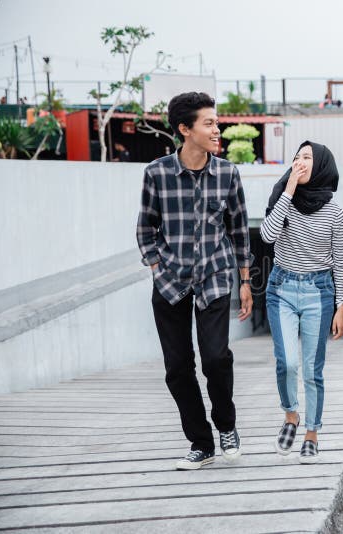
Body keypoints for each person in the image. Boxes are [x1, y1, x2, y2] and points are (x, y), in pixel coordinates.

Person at [136, 92, 253, 470]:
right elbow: (145, 227)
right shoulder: (156, 173)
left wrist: (246, 280)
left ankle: (227, 425)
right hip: (170, 282)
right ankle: (200, 442)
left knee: (217, 358)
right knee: (178, 367)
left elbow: (238, 231)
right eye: (209, 123)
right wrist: (156, 267)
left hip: (215, 278)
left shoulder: (228, 174)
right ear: (185, 129)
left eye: (216, 123)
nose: (216, 129)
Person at [262, 140, 343, 464]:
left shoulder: (337, 214)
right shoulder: (283, 197)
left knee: (313, 370)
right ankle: (291, 416)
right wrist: (288, 190)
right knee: (288, 362)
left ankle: (312, 433)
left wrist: (342, 305)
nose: (299, 161)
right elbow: (268, 236)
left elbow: (342, 262)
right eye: (296, 157)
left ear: (322, 165)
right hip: (281, 289)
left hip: (319, 293)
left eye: (307, 157)